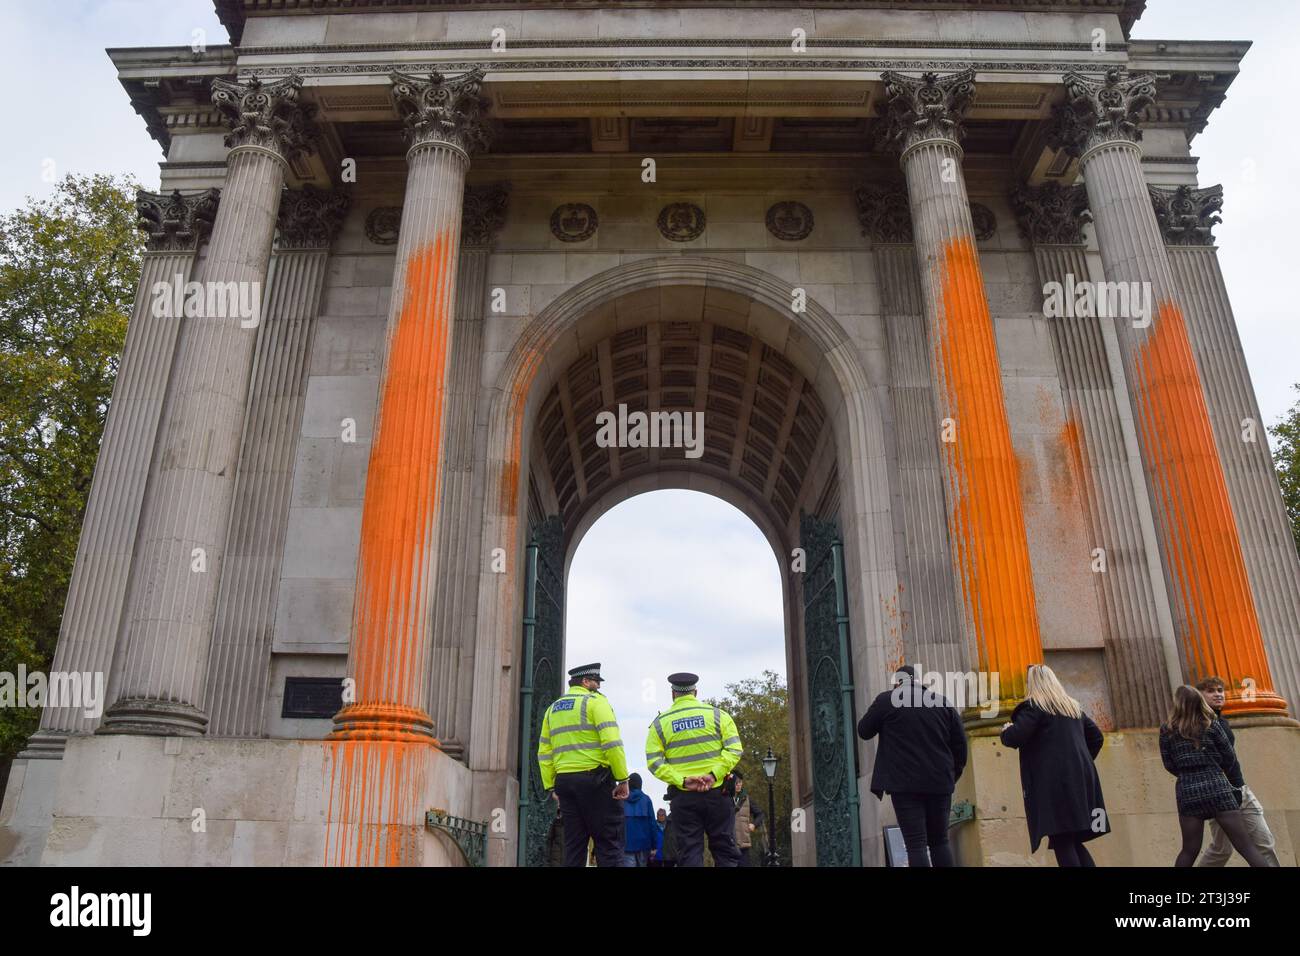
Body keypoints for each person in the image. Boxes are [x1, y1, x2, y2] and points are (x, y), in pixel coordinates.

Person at [857, 664, 968, 867]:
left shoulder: (886, 700)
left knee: (916, 844)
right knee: (940, 841)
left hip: (904, 785)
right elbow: (960, 746)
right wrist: (952, 775)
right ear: (917, 681)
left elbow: (864, 730)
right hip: (939, 782)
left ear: (898, 683)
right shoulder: (942, 702)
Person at [999, 664, 1108, 866]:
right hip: (1082, 780)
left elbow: (1016, 737)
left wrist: (1006, 730)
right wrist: (1080, 762)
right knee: (1071, 838)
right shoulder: (1073, 708)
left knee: (1062, 839)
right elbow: (1097, 738)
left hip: (1055, 783)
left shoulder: (1035, 707)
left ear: (1032, 683)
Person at [1160, 685, 1271, 868]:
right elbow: (1229, 756)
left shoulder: (1167, 730)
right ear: (1200, 701)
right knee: (1246, 847)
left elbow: (1168, 763)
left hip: (1187, 791)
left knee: (1189, 850)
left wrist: (1187, 773)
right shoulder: (1212, 724)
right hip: (1217, 786)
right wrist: (1215, 768)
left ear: (1177, 704)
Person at [645, 671, 744, 867]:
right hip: (718, 793)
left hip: (684, 797)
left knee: (689, 851)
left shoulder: (660, 724)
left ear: (673, 694)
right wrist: (712, 775)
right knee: (725, 850)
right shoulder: (718, 715)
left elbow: (654, 762)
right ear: (695, 692)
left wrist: (682, 780)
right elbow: (735, 749)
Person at [536, 662, 630, 867]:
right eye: (596, 682)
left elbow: (544, 752)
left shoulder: (552, 710)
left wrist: (551, 785)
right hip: (594, 781)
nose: (598, 687)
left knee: (574, 846)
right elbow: (612, 744)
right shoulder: (596, 703)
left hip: (565, 783)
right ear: (585, 681)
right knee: (608, 844)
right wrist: (622, 778)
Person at [1193, 677, 1279, 867]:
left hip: (1239, 788)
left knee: (1264, 843)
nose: (1218, 694)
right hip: (1218, 792)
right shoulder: (1197, 726)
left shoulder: (1222, 722)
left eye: (1220, 690)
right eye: (1211, 691)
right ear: (1199, 695)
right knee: (1221, 849)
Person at [622, 772, 662, 866]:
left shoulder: (622, 799)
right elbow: (653, 824)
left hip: (626, 845)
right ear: (640, 784)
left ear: (629, 784)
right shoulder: (647, 800)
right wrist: (654, 845)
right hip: (644, 846)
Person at [728, 770, 765, 867]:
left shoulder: (747, 799)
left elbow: (760, 814)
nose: (738, 785)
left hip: (743, 845)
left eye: (740, 782)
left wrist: (754, 824)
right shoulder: (724, 798)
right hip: (728, 844)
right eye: (736, 782)